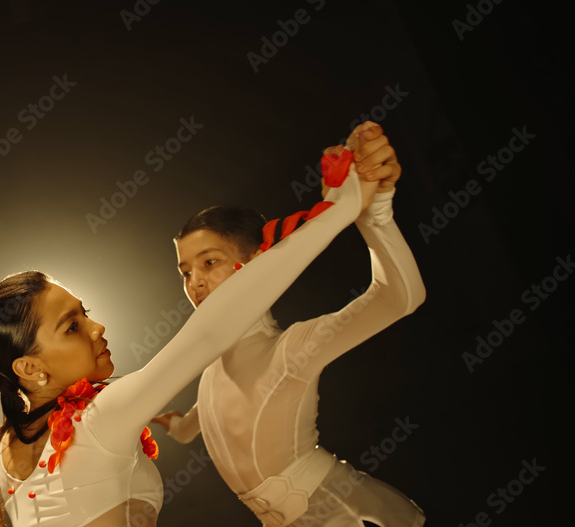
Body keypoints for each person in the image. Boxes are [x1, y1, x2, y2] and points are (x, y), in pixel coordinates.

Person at [0, 134, 378, 527]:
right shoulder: (102, 419)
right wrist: (339, 211)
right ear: (30, 368)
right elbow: (213, 331)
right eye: (73, 325)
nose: (98, 327)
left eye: (86, 312)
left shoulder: (2, 452)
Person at [151, 122, 426, 526]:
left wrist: (375, 212)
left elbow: (400, 297)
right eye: (185, 272)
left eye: (210, 262)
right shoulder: (210, 364)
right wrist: (177, 426)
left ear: (257, 260)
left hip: (343, 512)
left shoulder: (292, 349)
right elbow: (201, 421)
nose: (196, 283)